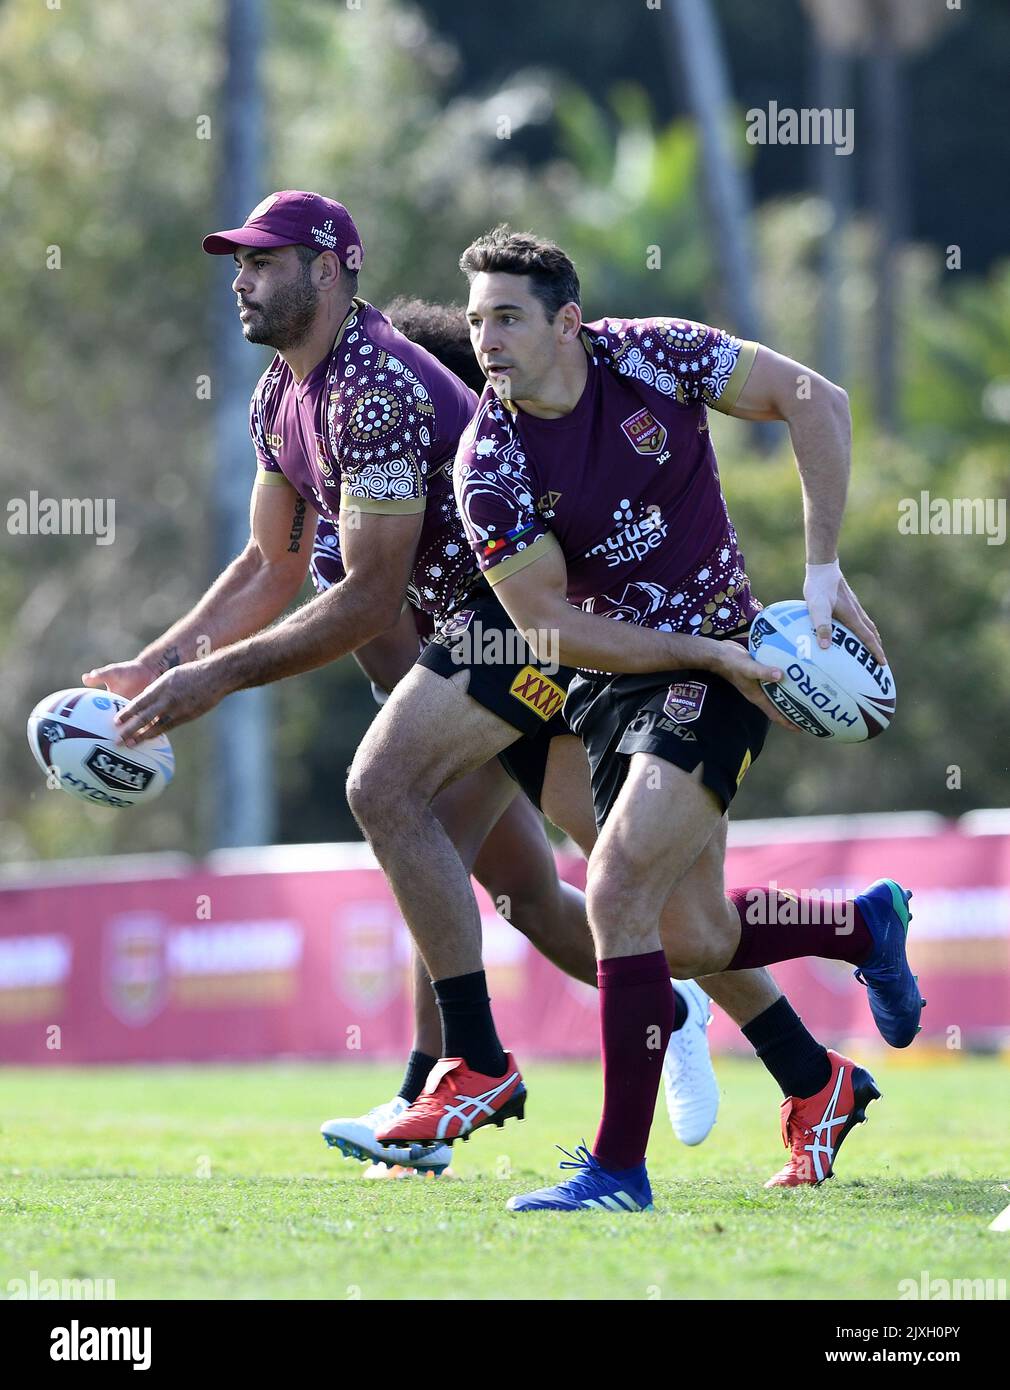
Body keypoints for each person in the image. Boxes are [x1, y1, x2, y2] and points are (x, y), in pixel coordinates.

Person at [83, 191, 752, 1177]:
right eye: (239, 262)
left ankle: (461, 1072)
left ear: (330, 266)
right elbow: (272, 562)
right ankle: (713, 1026)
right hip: (468, 645)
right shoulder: (281, 395)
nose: (242, 278)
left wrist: (213, 680)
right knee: (541, 892)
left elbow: (366, 596)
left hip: (512, 632)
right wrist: (164, 660)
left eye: (265, 261)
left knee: (395, 796)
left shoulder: (375, 388)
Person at [349, 226, 922, 1206]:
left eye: (508, 318)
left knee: (612, 886)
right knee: (689, 936)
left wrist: (821, 572)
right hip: (618, 679)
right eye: (477, 320)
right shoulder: (487, 460)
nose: (486, 339)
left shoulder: (651, 352)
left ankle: (617, 1168)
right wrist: (693, 652)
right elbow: (547, 627)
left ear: (566, 322)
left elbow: (810, 399)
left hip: (721, 665)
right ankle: (857, 926)